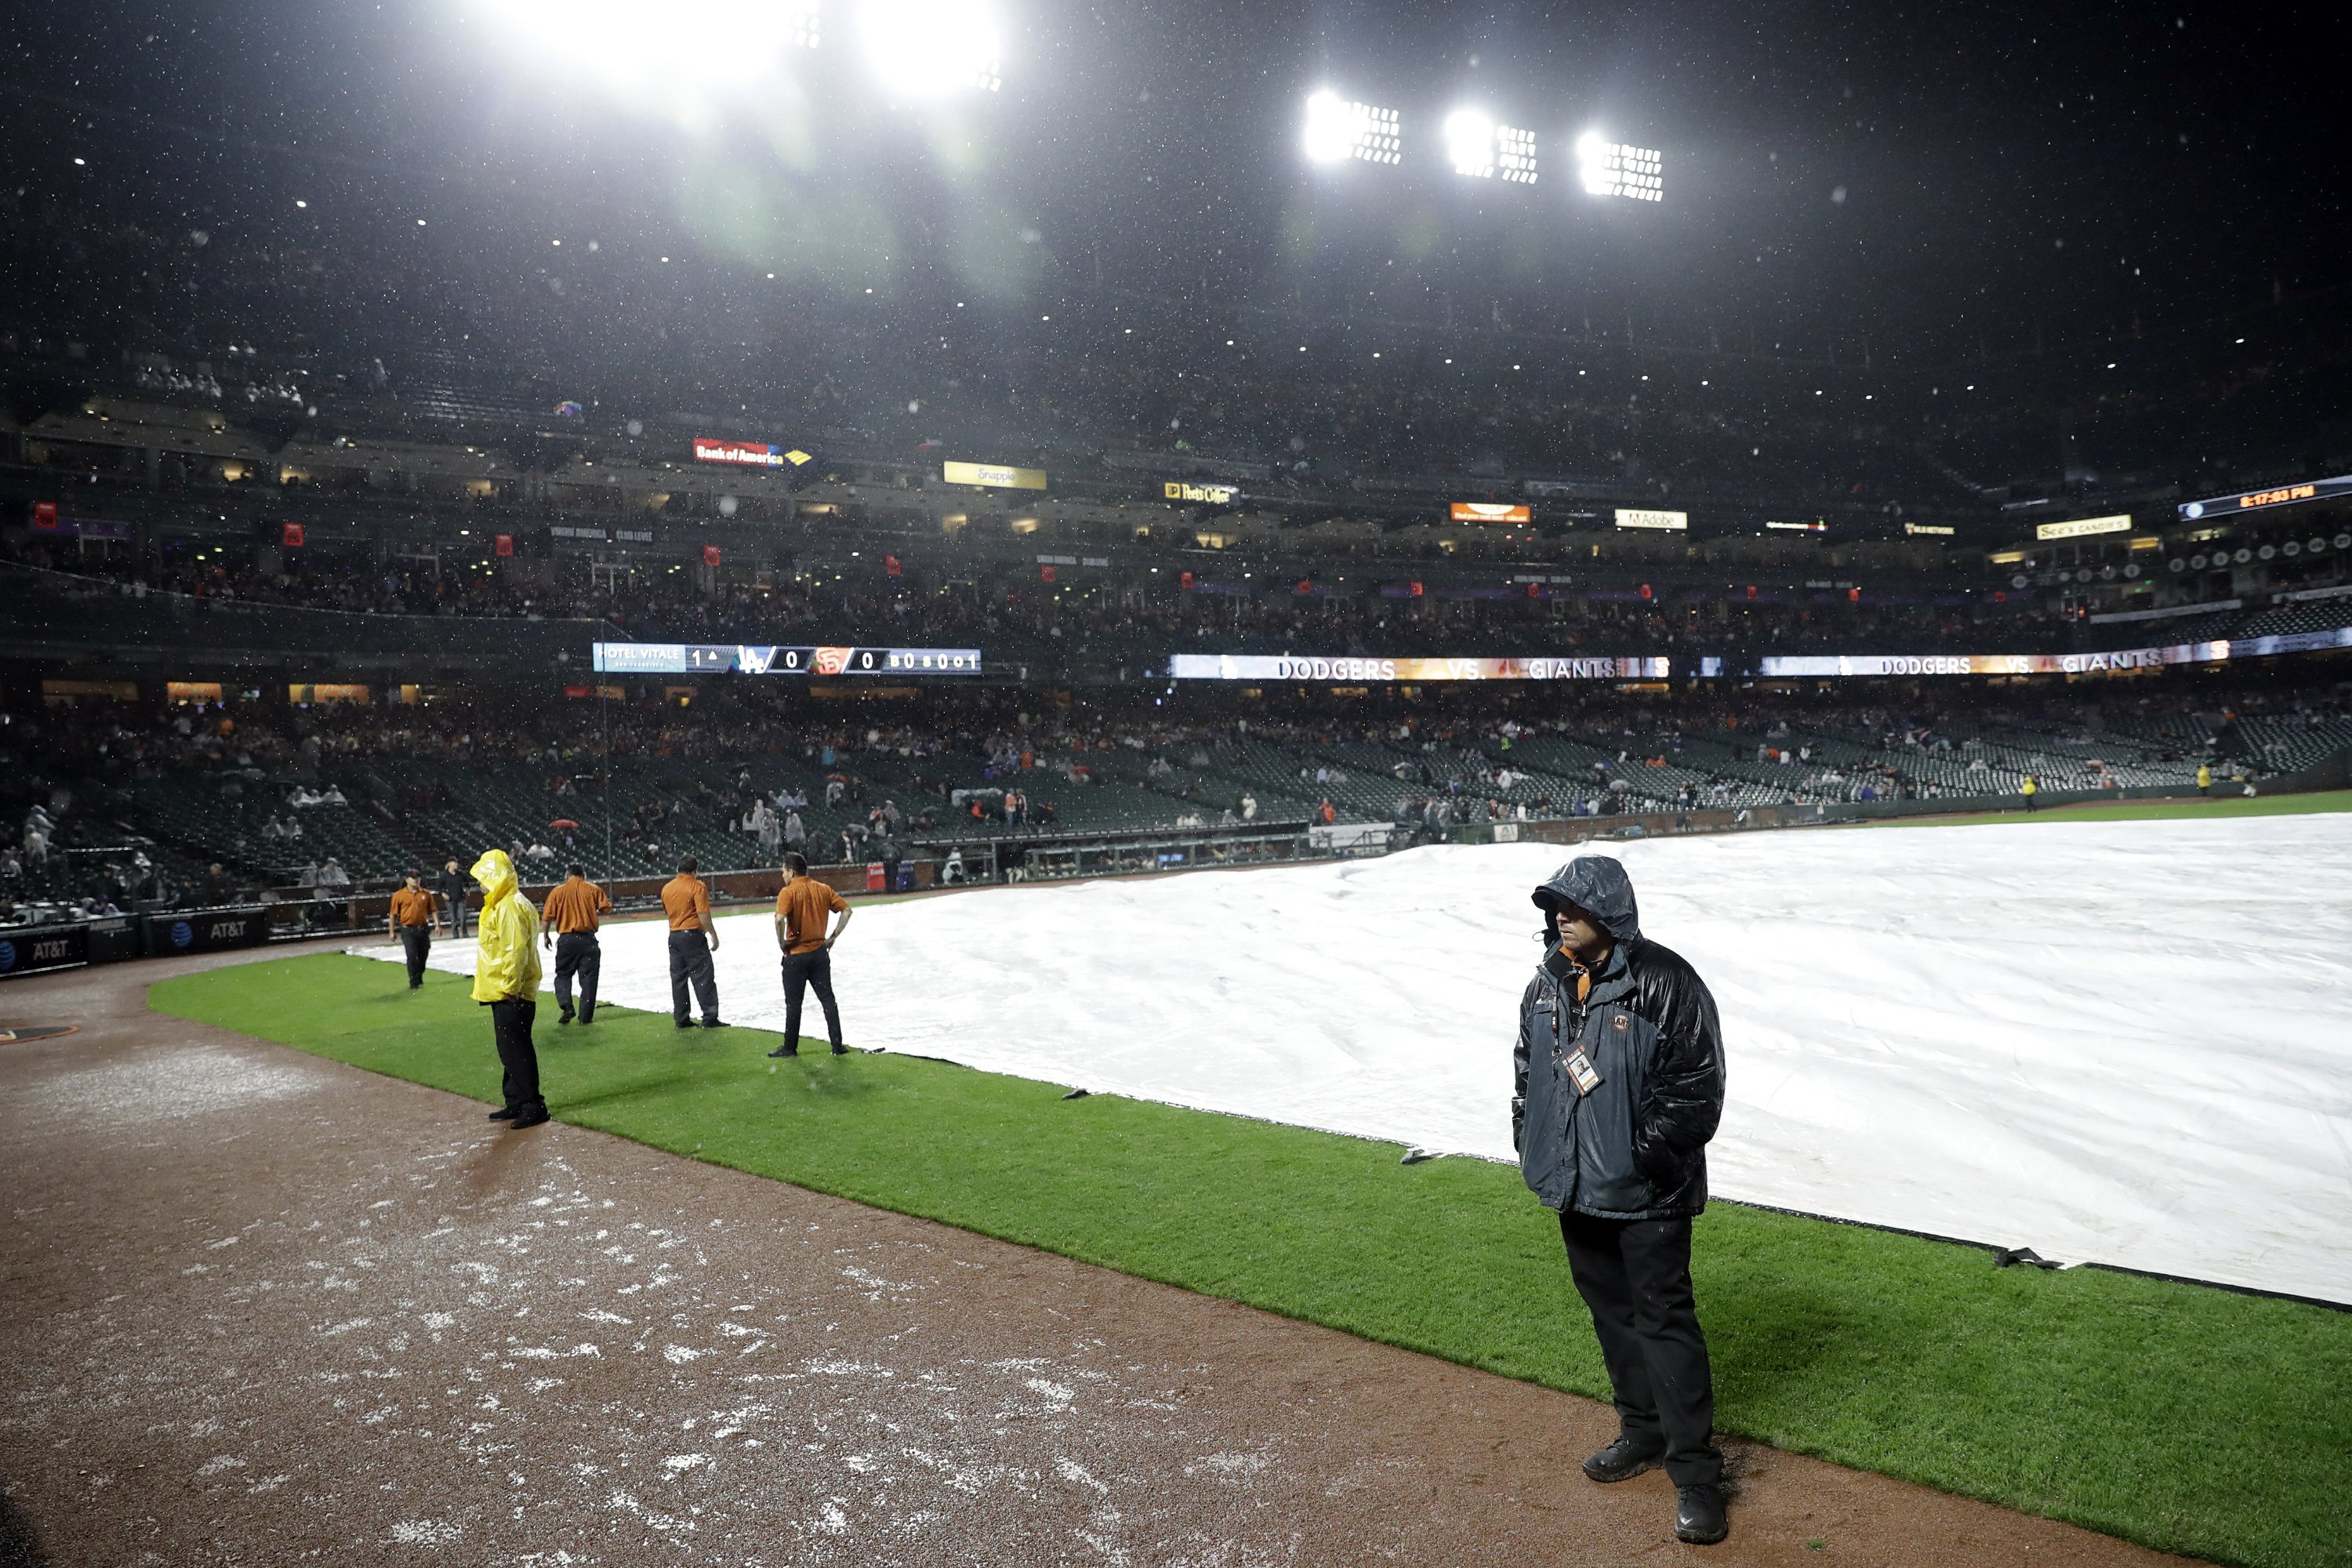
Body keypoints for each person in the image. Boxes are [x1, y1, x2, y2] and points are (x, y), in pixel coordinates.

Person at [1515, 856, 1728, 1547]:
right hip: (1576, 1189)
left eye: (1571, 907)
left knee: (1666, 1325)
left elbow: (1697, 1088)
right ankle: (1641, 1433)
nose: (1558, 917)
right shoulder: (1546, 983)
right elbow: (1529, 1067)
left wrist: (1641, 1160)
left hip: (1647, 1195)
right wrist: (1534, 1141)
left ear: (1607, 913)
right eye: (1553, 907)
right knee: (1612, 1319)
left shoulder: (1667, 982)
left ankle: (1696, 1476)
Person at [472, 849, 548, 1130]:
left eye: (483, 877)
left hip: (511, 991)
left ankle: (533, 1105)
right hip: (506, 989)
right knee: (509, 1049)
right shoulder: (509, 903)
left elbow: (515, 951)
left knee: (516, 1049)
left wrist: (510, 986)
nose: (480, 883)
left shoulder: (508, 906)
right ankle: (516, 1101)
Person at [767, 851, 852, 1058]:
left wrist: (781, 943)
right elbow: (847, 911)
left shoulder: (787, 893)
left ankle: (790, 1047)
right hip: (819, 954)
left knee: (794, 1004)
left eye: (784, 872)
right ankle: (837, 1045)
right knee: (828, 1000)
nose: (783, 876)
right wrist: (832, 937)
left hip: (796, 955)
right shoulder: (823, 889)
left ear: (792, 871)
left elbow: (779, 920)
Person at [540, 862, 612, 1025]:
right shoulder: (593, 889)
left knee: (563, 975)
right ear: (584, 875)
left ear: (567, 875)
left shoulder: (557, 892)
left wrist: (545, 937)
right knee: (589, 980)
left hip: (567, 940)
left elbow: (546, 918)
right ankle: (585, 1018)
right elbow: (606, 908)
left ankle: (567, 1005)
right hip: (588, 940)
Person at [661, 855, 726, 1029]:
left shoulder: (667, 888)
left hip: (674, 936)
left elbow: (667, 910)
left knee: (678, 978)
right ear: (695, 871)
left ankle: (681, 1018)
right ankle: (709, 1017)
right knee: (703, 976)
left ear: (678, 869)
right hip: (692, 936)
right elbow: (703, 914)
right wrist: (712, 934)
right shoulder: (698, 887)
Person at [387, 869, 441, 990]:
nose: (416, 880)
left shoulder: (426, 894)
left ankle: (418, 975)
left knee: (423, 955)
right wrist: (392, 931)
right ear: (407, 880)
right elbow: (393, 914)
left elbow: (433, 910)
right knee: (412, 956)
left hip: (422, 929)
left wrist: (437, 925)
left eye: (418, 878)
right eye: (413, 878)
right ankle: (414, 981)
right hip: (408, 930)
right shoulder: (399, 895)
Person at [441, 858, 471, 938]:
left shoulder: (461, 874)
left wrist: (467, 889)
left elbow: (467, 883)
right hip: (450, 900)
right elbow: (440, 886)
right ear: (450, 864)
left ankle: (465, 933)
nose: (456, 865)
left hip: (460, 898)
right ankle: (455, 934)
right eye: (454, 863)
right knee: (453, 918)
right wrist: (443, 893)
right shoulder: (444, 875)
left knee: (463, 916)